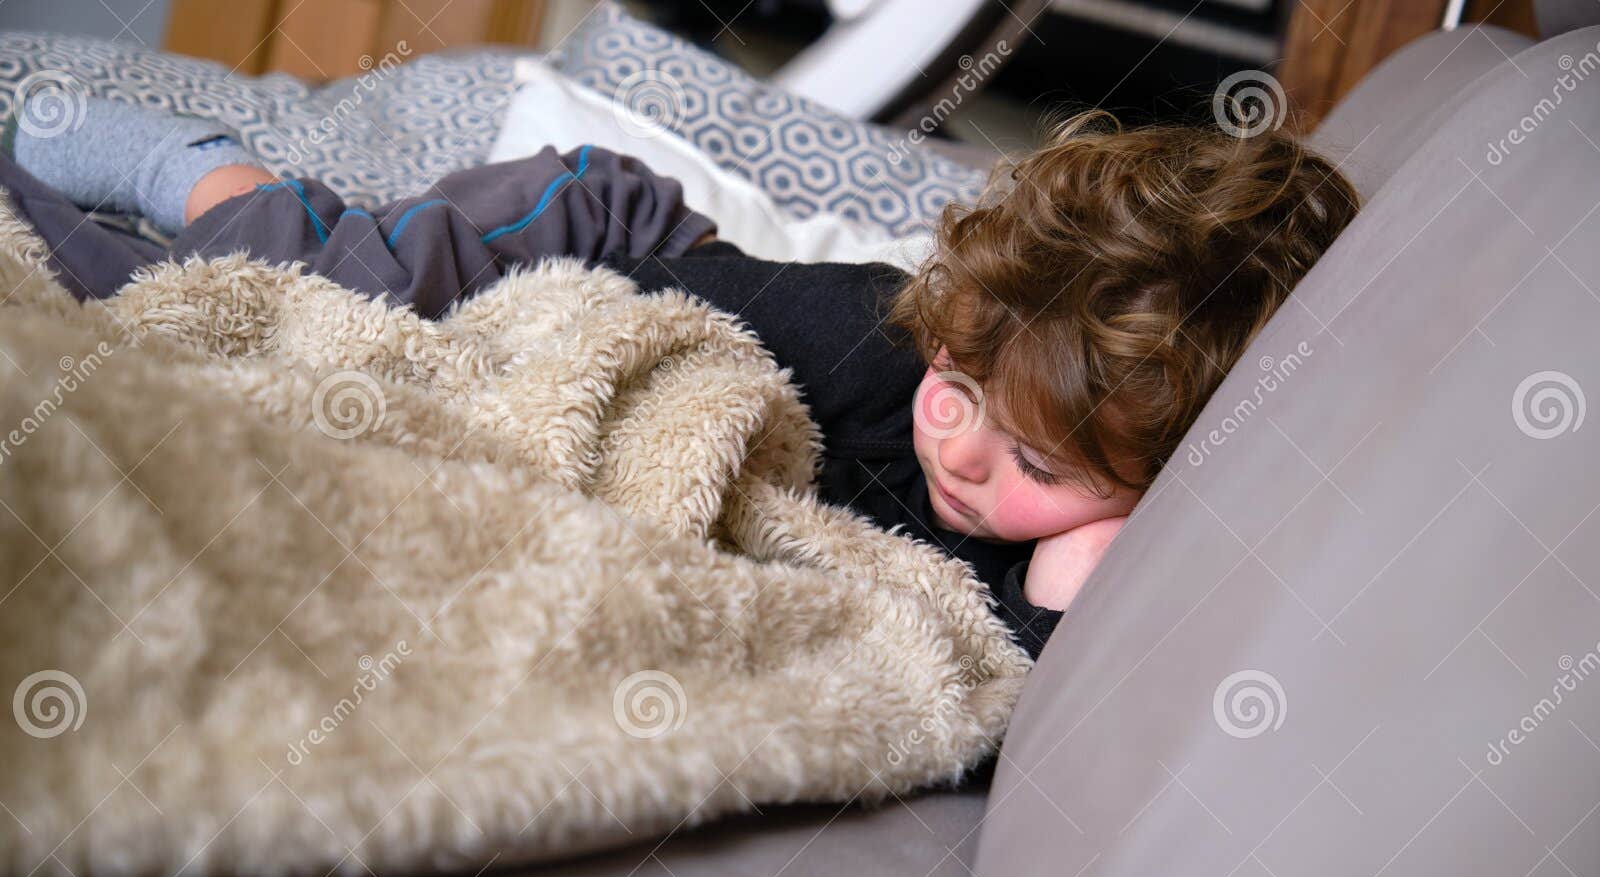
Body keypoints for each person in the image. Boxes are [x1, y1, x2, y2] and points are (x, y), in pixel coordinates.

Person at [0, 96, 1360, 659]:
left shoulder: (1085, 525)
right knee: (279, 292)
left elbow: (1046, 649)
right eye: (959, 381)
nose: (962, 449)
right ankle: (181, 158)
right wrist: (1064, 484)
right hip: (593, 236)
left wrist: (1098, 544)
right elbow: (594, 346)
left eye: (1042, 468)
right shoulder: (857, 345)